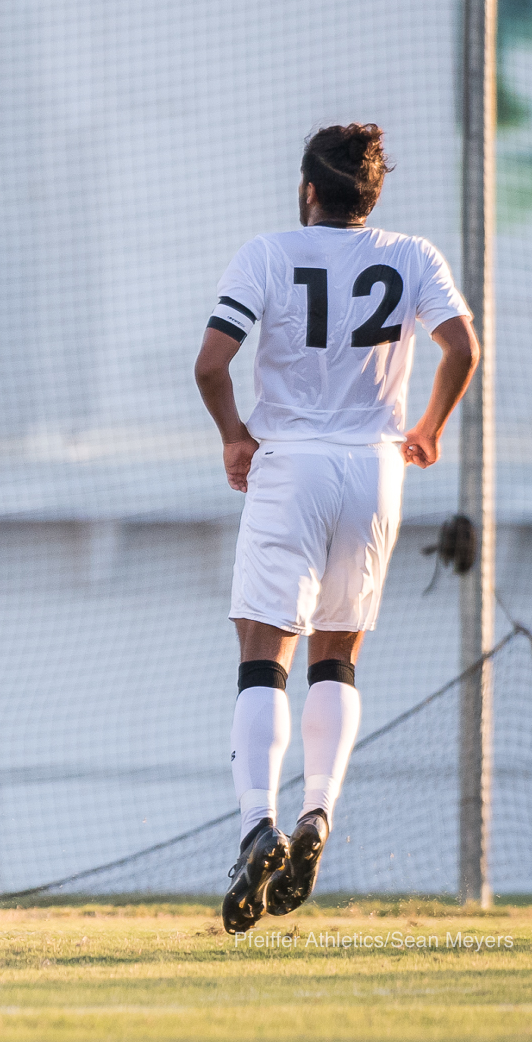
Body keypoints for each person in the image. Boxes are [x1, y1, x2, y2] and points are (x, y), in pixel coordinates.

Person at [195, 123, 478, 933]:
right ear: (372, 194)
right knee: (338, 653)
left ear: (308, 188)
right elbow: (463, 348)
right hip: (376, 470)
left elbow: (211, 364)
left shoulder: (268, 252)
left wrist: (234, 436)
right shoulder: (414, 254)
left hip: (294, 464)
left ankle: (258, 824)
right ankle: (318, 813)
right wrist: (428, 428)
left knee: (262, 653)